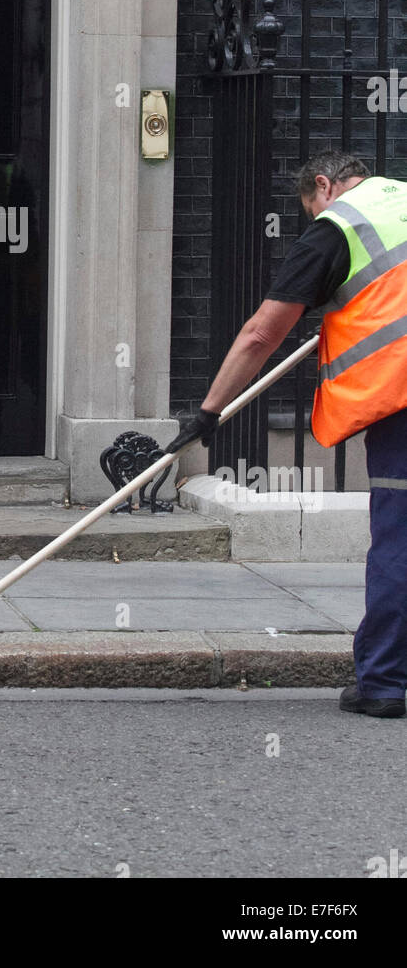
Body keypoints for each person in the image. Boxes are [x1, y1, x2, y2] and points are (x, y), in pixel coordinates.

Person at [168, 152, 407, 718]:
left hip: (401, 403)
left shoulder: (338, 226)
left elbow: (260, 334)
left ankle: (383, 685)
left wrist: (209, 409)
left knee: (399, 539)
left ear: (323, 186)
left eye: (308, 208)